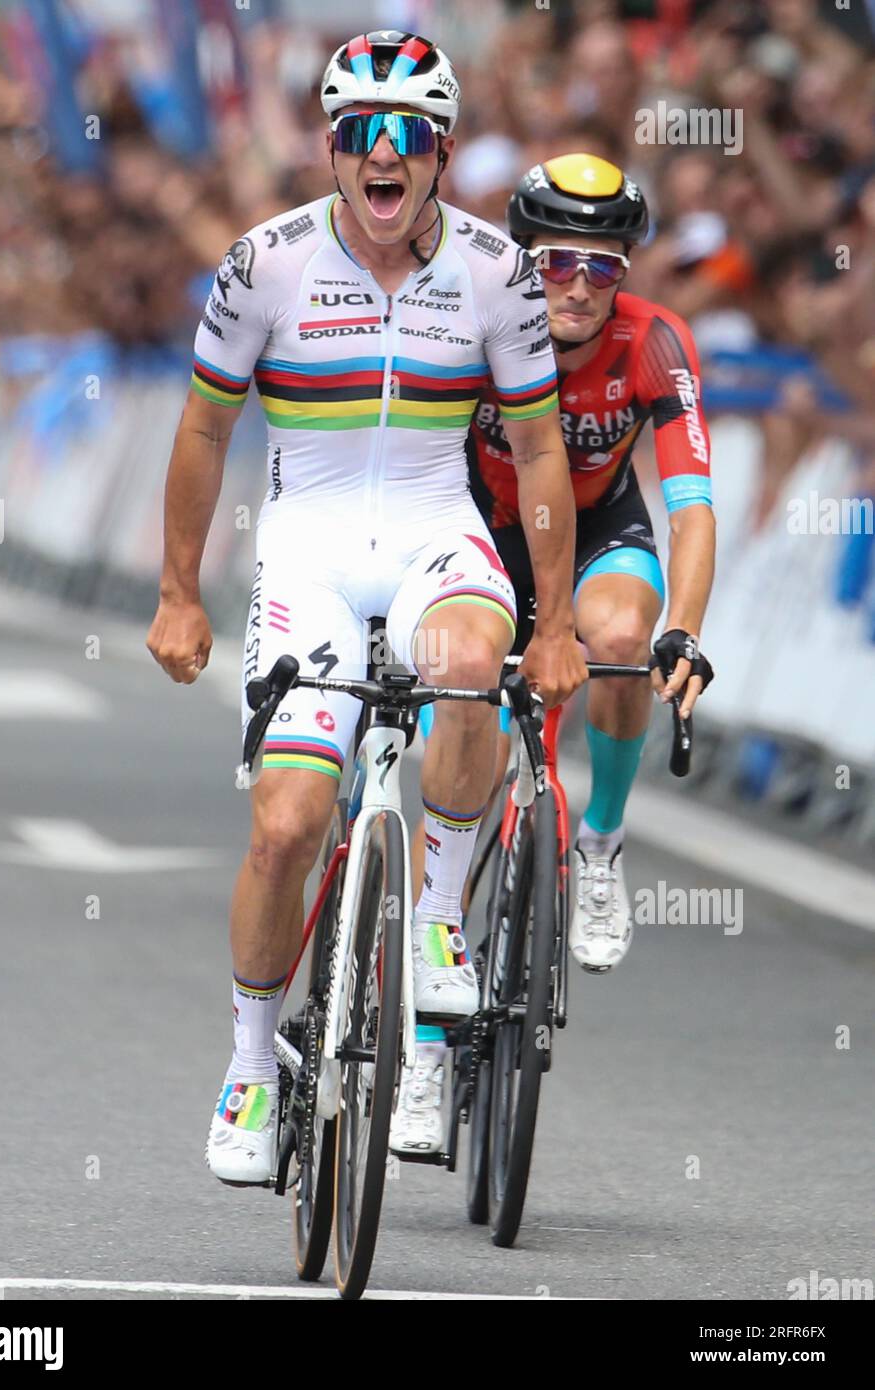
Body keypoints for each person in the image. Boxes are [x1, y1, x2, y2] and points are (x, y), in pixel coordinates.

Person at [146, 32, 587, 1177]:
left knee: (459, 666)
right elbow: (203, 427)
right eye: (359, 134)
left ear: (440, 153)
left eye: (408, 137)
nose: (382, 156)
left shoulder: (498, 272)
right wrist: (178, 592)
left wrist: (549, 625)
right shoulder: (266, 263)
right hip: (308, 553)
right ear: (332, 150)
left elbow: (539, 451)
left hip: (441, 533)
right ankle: (250, 1065)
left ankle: (436, 913)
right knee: (288, 822)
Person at [415, 153, 716, 973]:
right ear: (522, 261)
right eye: (554, 263)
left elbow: (691, 509)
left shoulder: (652, 341)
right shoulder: (472, 323)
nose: (577, 285)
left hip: (594, 533)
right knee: (458, 758)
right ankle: (421, 1000)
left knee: (621, 640)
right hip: (482, 533)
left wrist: (681, 632)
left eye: (601, 268)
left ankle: (602, 842)